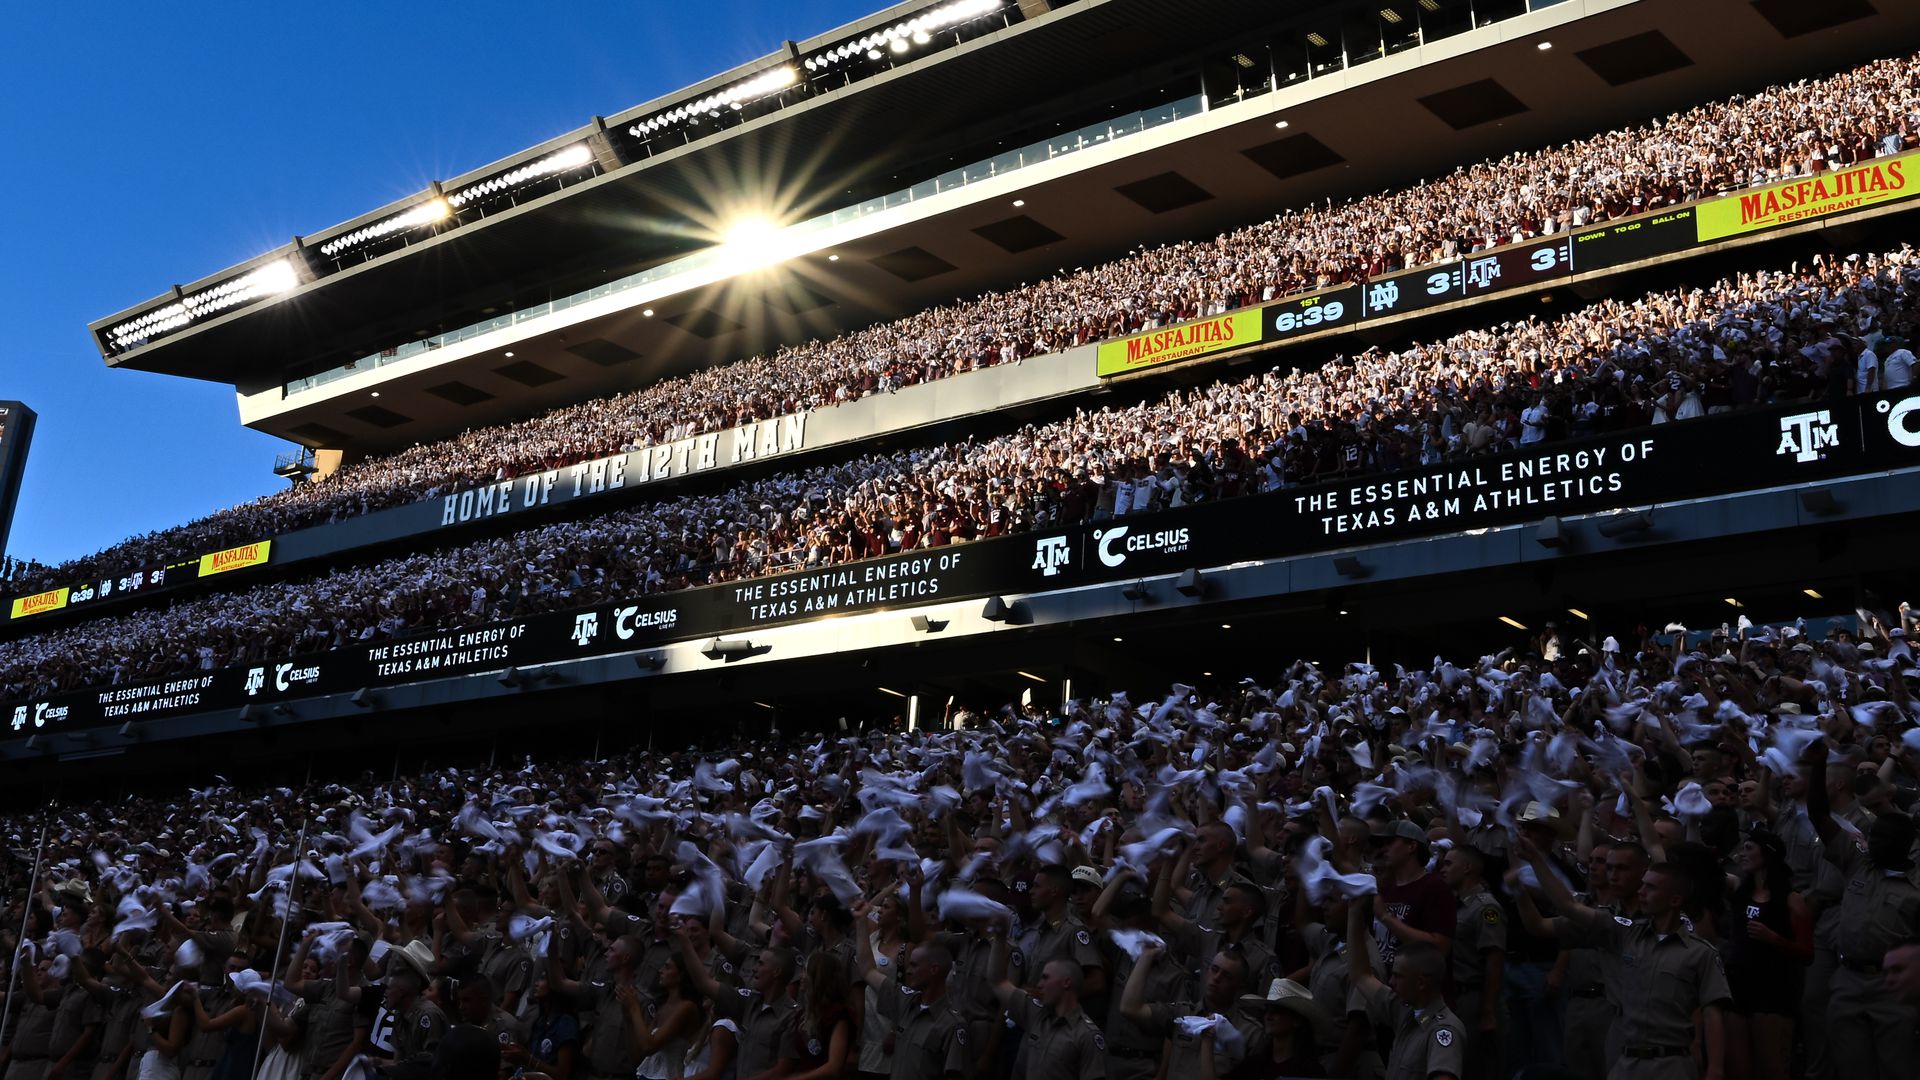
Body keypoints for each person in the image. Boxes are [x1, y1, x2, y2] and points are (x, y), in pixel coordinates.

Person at [1514, 839, 1730, 1080]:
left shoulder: (1700, 951)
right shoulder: (1624, 931)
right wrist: (1535, 859)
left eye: (1651, 888)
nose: (1641, 892)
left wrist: (1716, 1069)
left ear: (1675, 900)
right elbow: (1568, 906)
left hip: (1672, 1059)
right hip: (1625, 1056)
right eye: (1643, 886)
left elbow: (1712, 1012)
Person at [1803, 740, 1920, 1080]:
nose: (1873, 844)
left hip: (1894, 987)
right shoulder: (1858, 863)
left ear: (1903, 845)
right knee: (1853, 1066)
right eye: (1873, 837)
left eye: (1882, 839)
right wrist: (1818, 766)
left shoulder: (1915, 885)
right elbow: (1819, 816)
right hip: (1848, 979)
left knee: (1897, 1066)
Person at [1720, 829, 1810, 1080]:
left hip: (1773, 991)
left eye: (1749, 848)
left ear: (1767, 854)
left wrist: (1774, 938)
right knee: (1738, 1069)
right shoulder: (1740, 892)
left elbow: (1806, 953)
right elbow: (1702, 871)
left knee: (1773, 1070)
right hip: (1738, 986)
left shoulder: (1792, 900)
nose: (1742, 854)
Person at [1345, 901, 1463, 1080]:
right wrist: (1354, 910)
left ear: (1421, 983)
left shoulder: (1443, 1030)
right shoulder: (1404, 1010)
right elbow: (1360, 975)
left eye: (1398, 976)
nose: (1391, 982)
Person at [986, 917, 1103, 1080]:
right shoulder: (1034, 1012)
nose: (1039, 984)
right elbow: (997, 981)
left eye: (1046, 978)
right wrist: (999, 939)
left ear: (1066, 983)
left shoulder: (1086, 1035)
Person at [1439, 846, 1504, 1080]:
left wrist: (1488, 1011)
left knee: (1473, 1066)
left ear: (1467, 867)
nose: (1442, 868)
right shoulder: (1453, 903)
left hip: (1473, 997)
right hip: (1453, 994)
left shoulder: (1485, 907)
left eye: (1448, 864)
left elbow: (1494, 960)